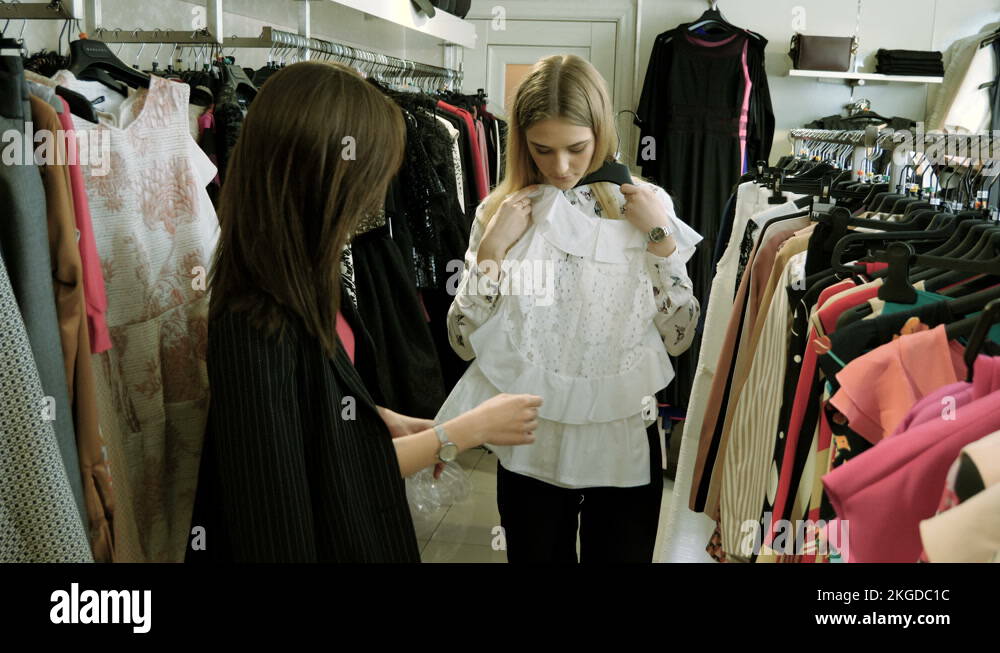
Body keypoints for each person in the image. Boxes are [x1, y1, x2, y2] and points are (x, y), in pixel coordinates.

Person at [187, 61, 541, 563]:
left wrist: (376, 417)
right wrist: (461, 433)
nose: (379, 196)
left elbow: (310, 410)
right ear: (321, 175)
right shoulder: (255, 320)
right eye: (372, 176)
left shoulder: (311, 276)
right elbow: (279, 511)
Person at [436, 54, 702, 563]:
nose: (560, 167)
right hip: (530, 434)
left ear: (601, 133)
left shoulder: (648, 207)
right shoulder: (501, 213)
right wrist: (491, 254)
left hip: (624, 429)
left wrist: (661, 242)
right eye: (543, 150)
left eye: (576, 148)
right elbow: (462, 341)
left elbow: (679, 338)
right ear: (523, 144)